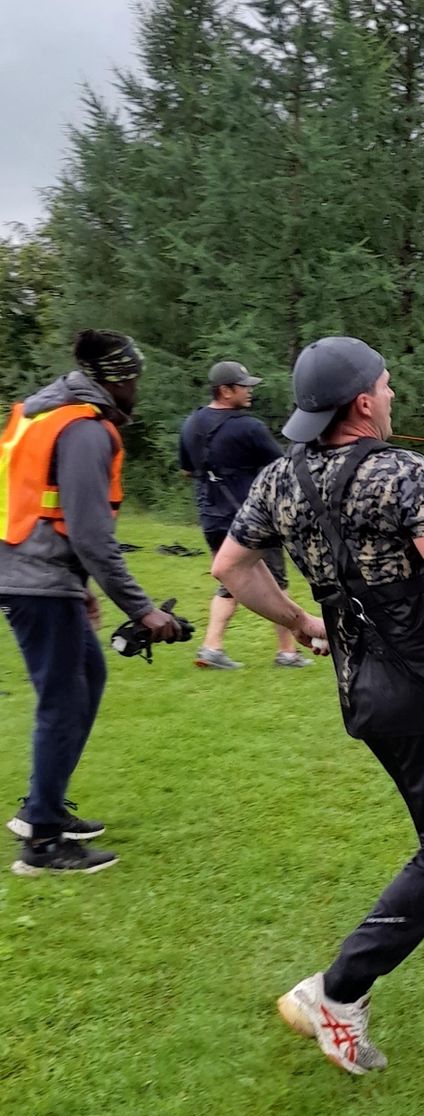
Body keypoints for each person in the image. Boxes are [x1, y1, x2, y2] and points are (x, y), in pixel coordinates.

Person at [213, 336, 424, 1075]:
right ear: (364, 401)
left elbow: (231, 567)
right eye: (388, 385)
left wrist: (304, 622)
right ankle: (337, 992)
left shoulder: (283, 476)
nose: (393, 396)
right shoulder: (401, 471)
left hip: (360, 689)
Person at [0, 330, 181, 875]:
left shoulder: (47, 411)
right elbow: (90, 535)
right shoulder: (83, 428)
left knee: (87, 678)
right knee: (63, 699)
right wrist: (143, 611)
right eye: (134, 378)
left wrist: (78, 587)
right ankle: (43, 844)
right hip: (36, 579)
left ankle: (43, 808)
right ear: (118, 378)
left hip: (36, 571)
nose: (137, 387)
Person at [179, 360, 311, 670]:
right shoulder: (249, 427)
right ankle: (287, 653)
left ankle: (212, 647)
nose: (250, 391)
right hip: (251, 519)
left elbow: (187, 470)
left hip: (211, 518)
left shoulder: (191, 424)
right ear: (225, 391)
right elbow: (282, 468)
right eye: (244, 386)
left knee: (231, 581)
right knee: (275, 583)